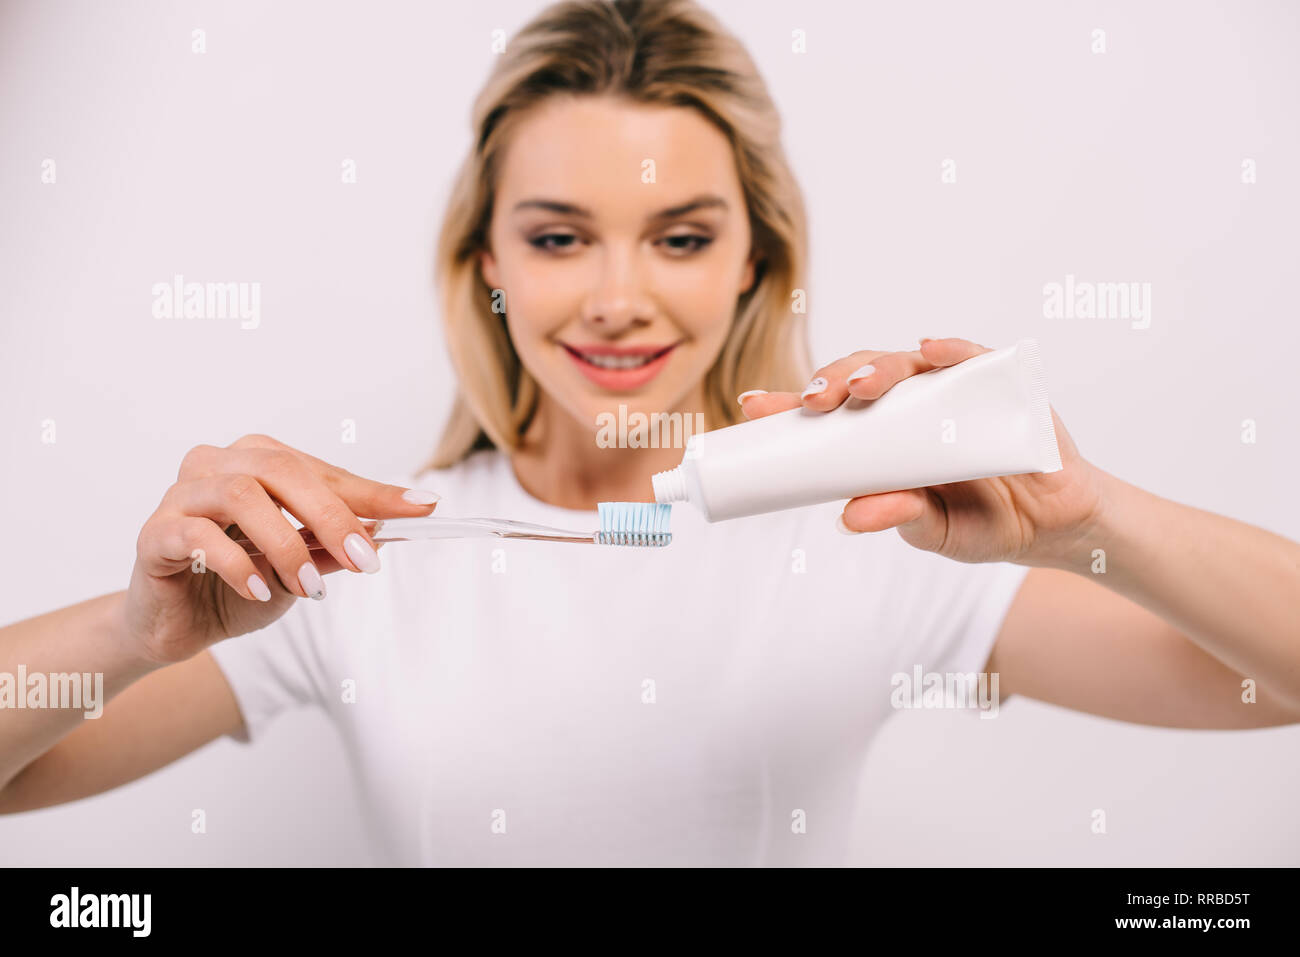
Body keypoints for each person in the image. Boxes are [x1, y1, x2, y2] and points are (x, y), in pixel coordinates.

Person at [2, 0, 1297, 866]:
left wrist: (1096, 523)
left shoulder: (870, 533)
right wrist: (129, 635)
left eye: (682, 236)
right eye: (558, 236)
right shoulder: (356, 555)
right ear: (489, 264)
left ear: (751, 262)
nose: (619, 296)